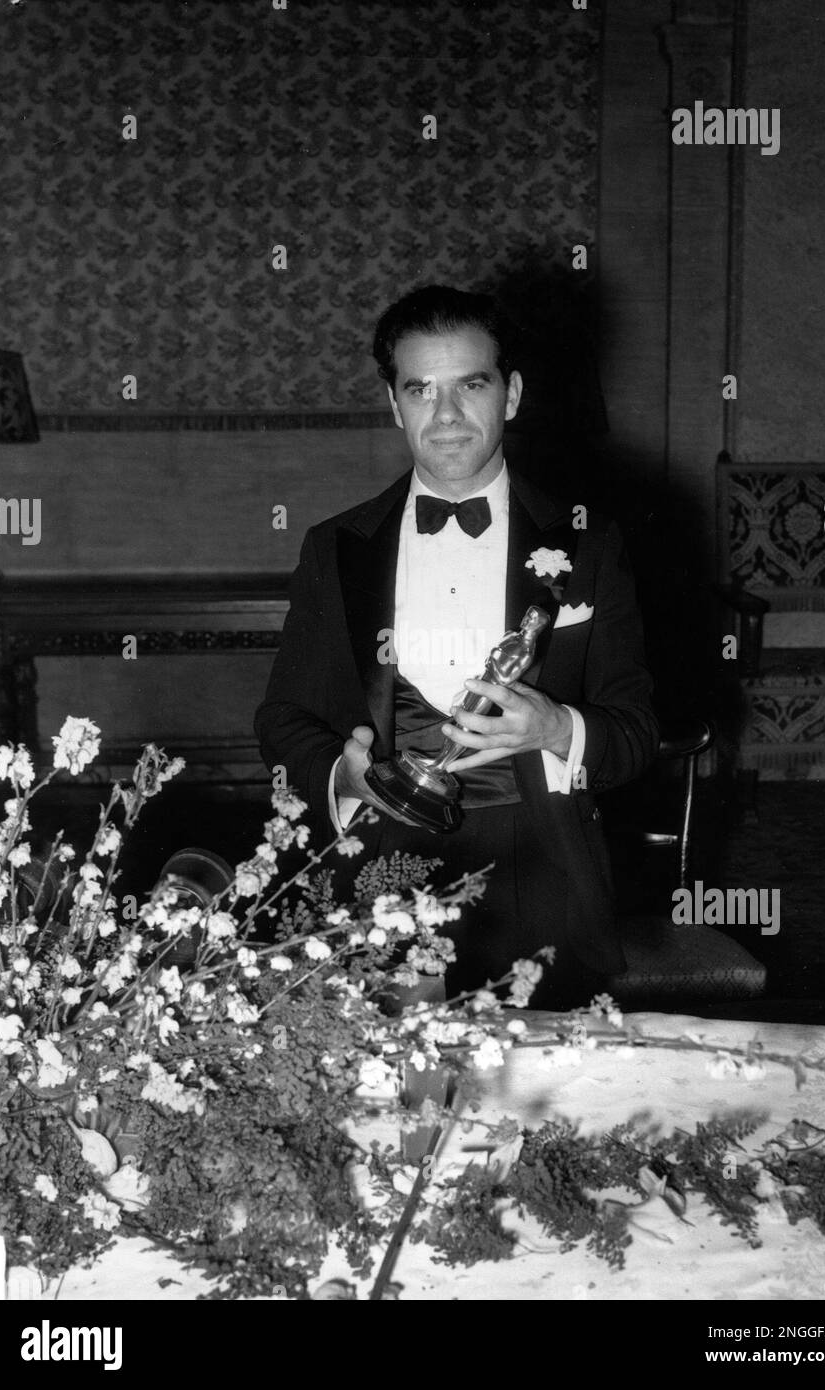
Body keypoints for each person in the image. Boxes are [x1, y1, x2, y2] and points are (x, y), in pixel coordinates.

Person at [254, 285, 658, 1008]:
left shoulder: (591, 544)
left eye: (469, 385)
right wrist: (346, 781)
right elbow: (283, 719)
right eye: (420, 390)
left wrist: (558, 727)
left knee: (540, 1114)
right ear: (393, 403)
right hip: (377, 866)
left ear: (510, 394)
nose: (445, 416)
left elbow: (635, 733)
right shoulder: (335, 549)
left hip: (541, 873)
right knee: (383, 1105)